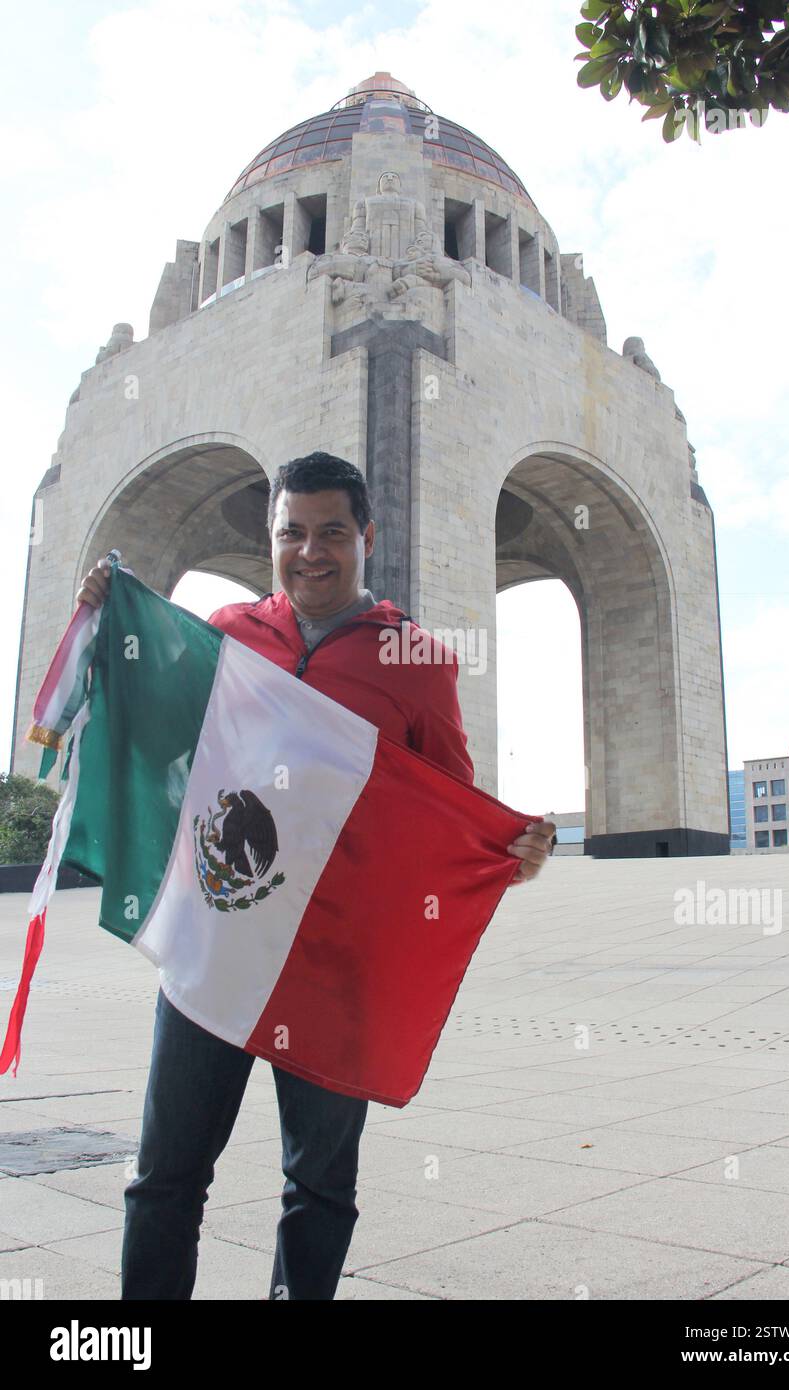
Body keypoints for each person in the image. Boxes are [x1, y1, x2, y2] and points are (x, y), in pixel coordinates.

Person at [75, 452, 556, 1300]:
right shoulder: (226, 634)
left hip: (338, 970)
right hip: (215, 951)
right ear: (272, 538)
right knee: (163, 1180)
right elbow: (158, 746)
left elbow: (446, 806)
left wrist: (508, 854)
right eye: (291, 533)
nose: (311, 552)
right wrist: (102, 636)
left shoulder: (417, 660)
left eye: (332, 532)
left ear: (366, 537)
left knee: (320, 1188)